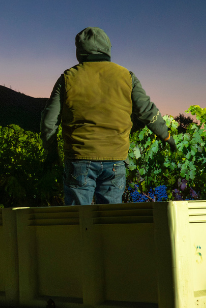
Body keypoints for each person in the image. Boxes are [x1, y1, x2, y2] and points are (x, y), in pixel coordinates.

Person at [40, 27, 173, 205]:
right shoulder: (127, 76)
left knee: (79, 221)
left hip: (79, 158)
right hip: (115, 159)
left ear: (79, 50)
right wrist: (166, 136)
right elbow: (147, 111)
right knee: (111, 221)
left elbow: (49, 120)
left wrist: (51, 152)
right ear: (107, 48)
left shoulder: (67, 78)